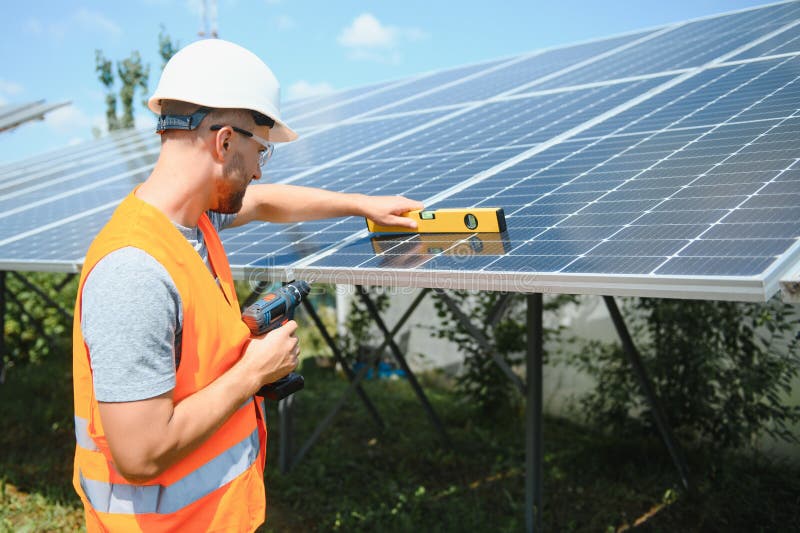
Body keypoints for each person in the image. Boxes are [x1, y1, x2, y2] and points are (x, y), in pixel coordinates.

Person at [72, 38, 423, 532]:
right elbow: (140, 455)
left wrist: (362, 204)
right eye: (260, 152)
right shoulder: (134, 270)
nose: (258, 169)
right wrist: (253, 373)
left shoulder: (193, 223)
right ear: (224, 142)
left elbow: (267, 201)